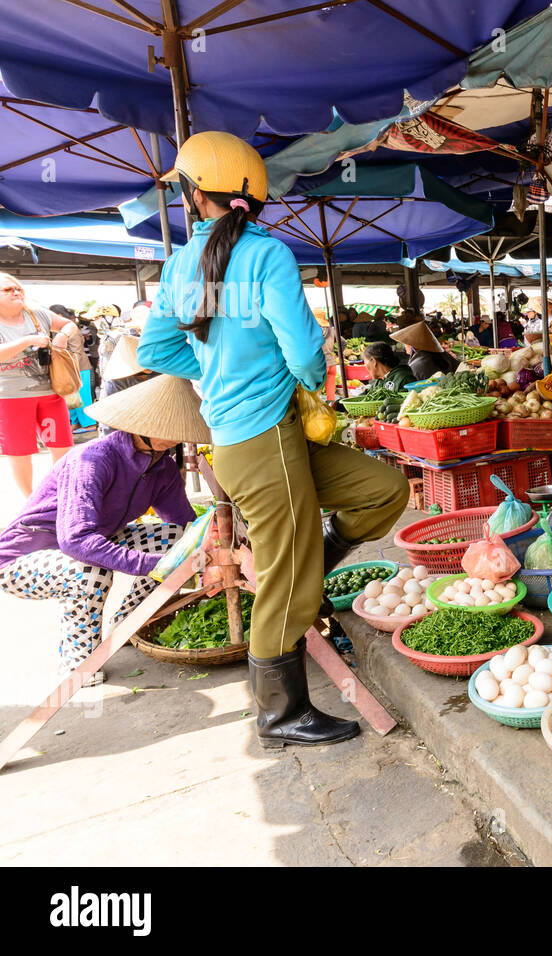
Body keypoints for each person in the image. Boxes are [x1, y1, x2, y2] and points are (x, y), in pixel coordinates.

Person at [138, 131, 409, 749]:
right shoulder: (266, 255)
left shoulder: (182, 264)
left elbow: (156, 347)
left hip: (249, 439)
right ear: (252, 196)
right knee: (286, 580)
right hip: (263, 436)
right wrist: (303, 379)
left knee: (383, 488)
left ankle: (315, 554)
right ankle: (281, 715)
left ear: (192, 193)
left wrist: (214, 370)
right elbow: (305, 352)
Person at [0, 375, 203, 677]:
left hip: (93, 539)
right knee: (90, 571)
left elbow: (183, 524)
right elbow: (76, 542)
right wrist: (154, 565)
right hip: (21, 560)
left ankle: (129, 624)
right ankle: (78, 661)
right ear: (145, 426)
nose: (180, 435)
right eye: (172, 427)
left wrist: (202, 546)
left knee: (176, 540)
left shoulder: (162, 466)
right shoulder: (92, 460)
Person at [0, 272, 77, 498]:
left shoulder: (37, 314)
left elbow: (69, 325)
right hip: (10, 397)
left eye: (18, 289)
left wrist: (62, 336)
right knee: (19, 450)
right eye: (8, 290)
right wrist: (29, 340)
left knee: (62, 444)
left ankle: (60, 494)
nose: (16, 293)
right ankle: (31, 500)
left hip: (51, 391)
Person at [49, 304, 95, 431]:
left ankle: (89, 424)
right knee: (71, 399)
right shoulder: (59, 329)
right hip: (68, 369)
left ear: (58, 316)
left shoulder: (70, 329)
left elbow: (77, 351)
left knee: (83, 398)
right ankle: (76, 423)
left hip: (79, 368)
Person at [391, 316, 455, 381]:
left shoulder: (416, 365)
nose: (405, 346)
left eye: (405, 343)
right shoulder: (443, 354)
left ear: (414, 345)